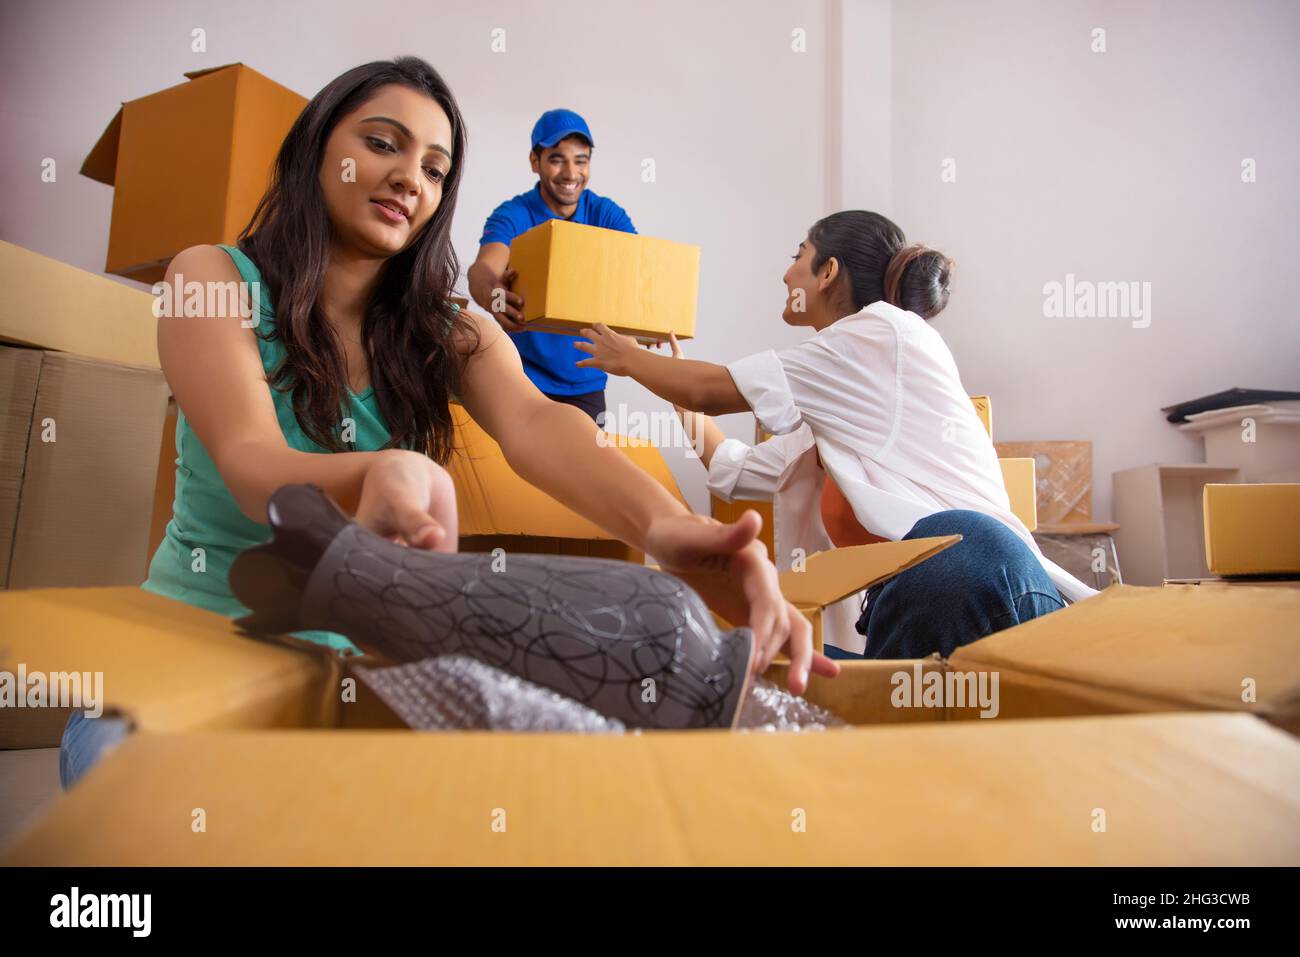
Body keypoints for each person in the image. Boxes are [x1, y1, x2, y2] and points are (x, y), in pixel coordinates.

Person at [58, 58, 833, 788]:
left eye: (434, 168)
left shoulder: (447, 328)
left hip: (337, 681)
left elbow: (537, 423)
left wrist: (672, 529)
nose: (409, 177)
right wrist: (378, 471)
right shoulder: (214, 277)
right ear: (315, 148)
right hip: (180, 665)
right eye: (383, 143)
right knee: (159, 817)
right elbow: (250, 460)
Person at [575, 210, 1098, 658]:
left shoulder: (883, 332)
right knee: (767, 657)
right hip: (927, 599)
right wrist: (670, 378)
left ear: (828, 271)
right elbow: (728, 468)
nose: (786, 273)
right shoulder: (838, 408)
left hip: (977, 574)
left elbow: (712, 390)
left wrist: (627, 357)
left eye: (797, 255)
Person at [466, 109, 635, 424]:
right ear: (535, 161)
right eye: (557, 159)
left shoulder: (605, 214)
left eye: (581, 160)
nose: (571, 173)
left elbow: (638, 270)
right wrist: (493, 294)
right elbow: (483, 270)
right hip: (521, 376)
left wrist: (645, 316)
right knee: (515, 471)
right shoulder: (514, 214)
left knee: (585, 469)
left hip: (585, 381)